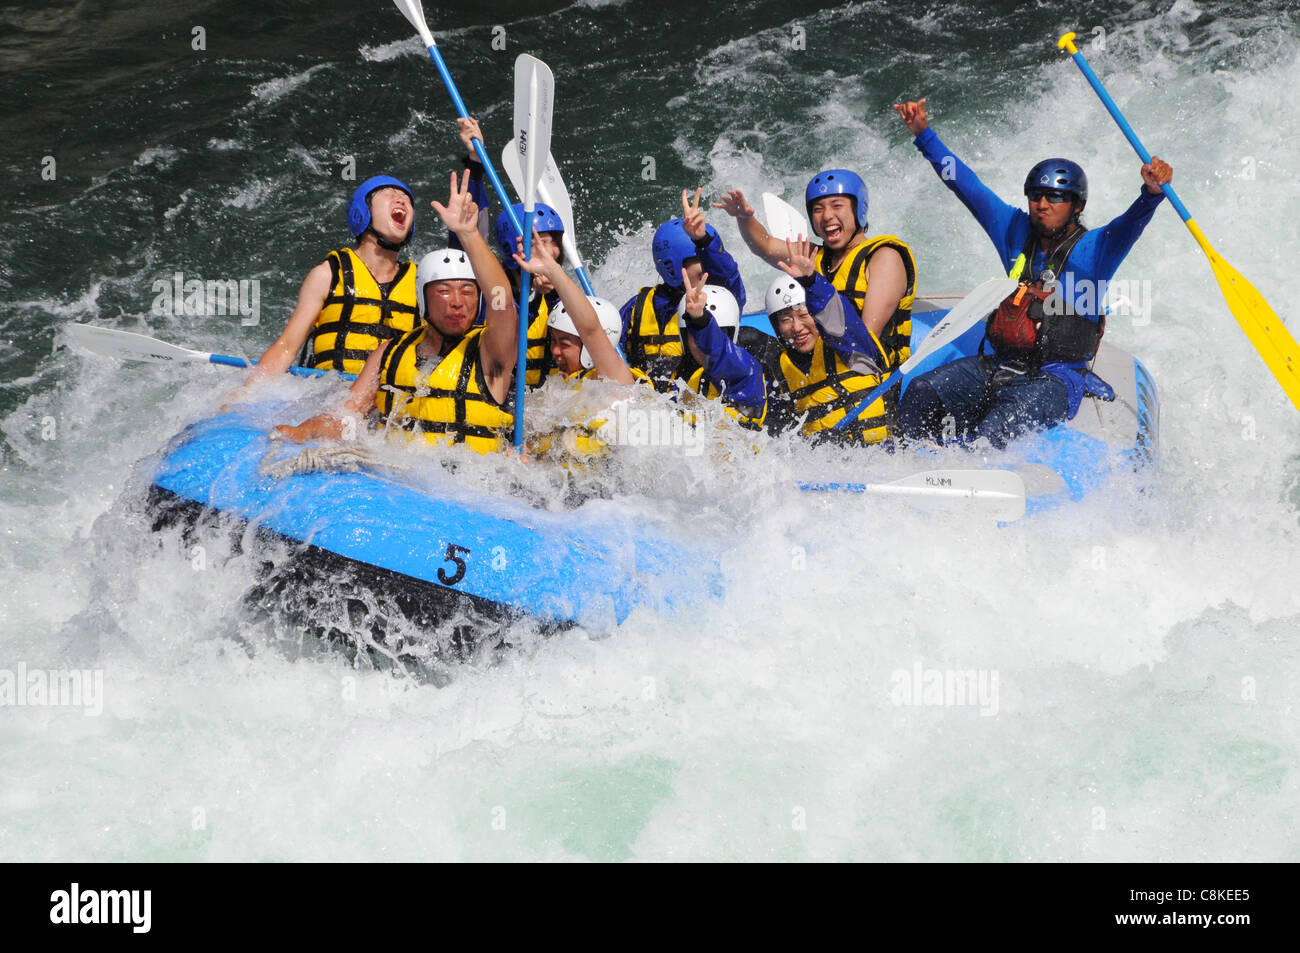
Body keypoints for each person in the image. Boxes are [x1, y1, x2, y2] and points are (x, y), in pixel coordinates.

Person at [891, 97, 1173, 448]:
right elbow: (966, 186)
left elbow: (1131, 224)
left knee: (993, 431)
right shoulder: (1013, 229)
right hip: (1000, 364)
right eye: (1036, 195)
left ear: (1077, 206)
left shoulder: (1097, 249)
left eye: (1055, 197)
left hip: (1058, 377)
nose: (1042, 204)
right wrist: (923, 134)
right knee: (922, 392)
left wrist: (1151, 193)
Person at [274, 171, 518, 454]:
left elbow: (502, 300)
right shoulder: (390, 353)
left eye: (467, 291)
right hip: (401, 481)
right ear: (423, 298)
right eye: (443, 291)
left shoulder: (492, 352)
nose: (457, 302)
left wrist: (469, 234)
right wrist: (301, 431)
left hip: (468, 485)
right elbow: (346, 416)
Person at [714, 169, 917, 368]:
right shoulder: (814, 257)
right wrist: (744, 218)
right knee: (747, 339)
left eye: (837, 206)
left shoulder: (884, 258)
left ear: (858, 210)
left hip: (870, 380)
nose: (827, 216)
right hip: (824, 372)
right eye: (818, 209)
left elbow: (864, 341)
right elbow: (765, 245)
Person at [244, 174, 418, 383]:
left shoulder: (422, 284)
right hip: (331, 396)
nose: (400, 200)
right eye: (389, 194)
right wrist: (245, 397)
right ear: (362, 213)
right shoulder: (327, 275)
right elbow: (286, 349)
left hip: (388, 402)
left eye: (406, 198)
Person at [762, 238, 893, 444]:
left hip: (880, 456)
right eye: (785, 319)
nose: (796, 327)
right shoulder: (781, 371)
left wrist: (810, 281)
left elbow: (832, 311)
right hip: (828, 471)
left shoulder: (851, 346)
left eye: (803, 315)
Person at [621, 188, 746, 380]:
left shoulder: (719, 299)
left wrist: (703, 240)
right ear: (674, 265)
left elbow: (728, 276)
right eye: (701, 259)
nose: (710, 269)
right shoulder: (636, 309)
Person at [495, 201, 569, 386]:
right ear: (512, 247)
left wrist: (555, 295)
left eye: (554, 242)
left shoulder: (564, 294)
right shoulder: (494, 292)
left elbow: (584, 337)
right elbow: (506, 337)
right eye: (542, 243)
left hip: (551, 400)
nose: (553, 251)